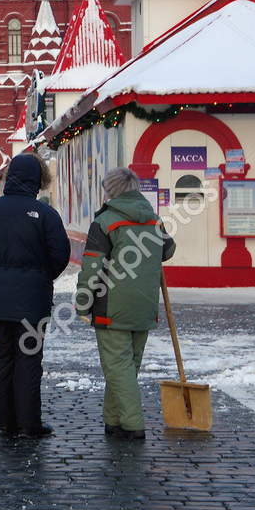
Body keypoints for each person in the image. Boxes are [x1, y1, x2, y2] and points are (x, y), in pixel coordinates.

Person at [0, 152, 70, 438]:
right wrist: (42, 275)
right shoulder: (46, 214)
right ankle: (29, 424)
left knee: (2, 359)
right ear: (37, 180)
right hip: (33, 301)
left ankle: (6, 424)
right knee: (28, 359)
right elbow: (60, 254)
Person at [78, 167, 176, 441]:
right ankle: (114, 420)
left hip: (112, 305)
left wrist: (82, 302)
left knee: (118, 367)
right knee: (125, 366)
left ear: (110, 191)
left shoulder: (106, 222)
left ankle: (133, 425)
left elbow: (92, 267)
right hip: (145, 305)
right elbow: (168, 250)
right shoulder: (154, 220)